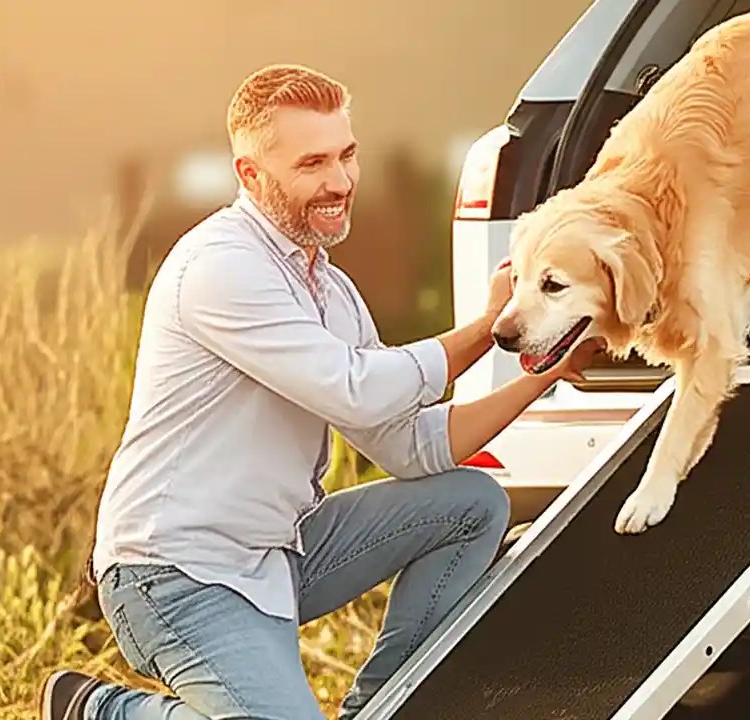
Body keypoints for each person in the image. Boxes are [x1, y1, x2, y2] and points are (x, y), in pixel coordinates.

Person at [39, 63, 602, 720]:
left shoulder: (331, 293)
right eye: (312, 163)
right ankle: (102, 711)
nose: (339, 182)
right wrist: (490, 327)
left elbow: (409, 446)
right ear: (250, 175)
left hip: (281, 551)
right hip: (177, 574)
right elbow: (358, 392)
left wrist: (540, 376)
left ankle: (381, 707)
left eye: (347, 155)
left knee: (472, 500)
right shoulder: (221, 269)